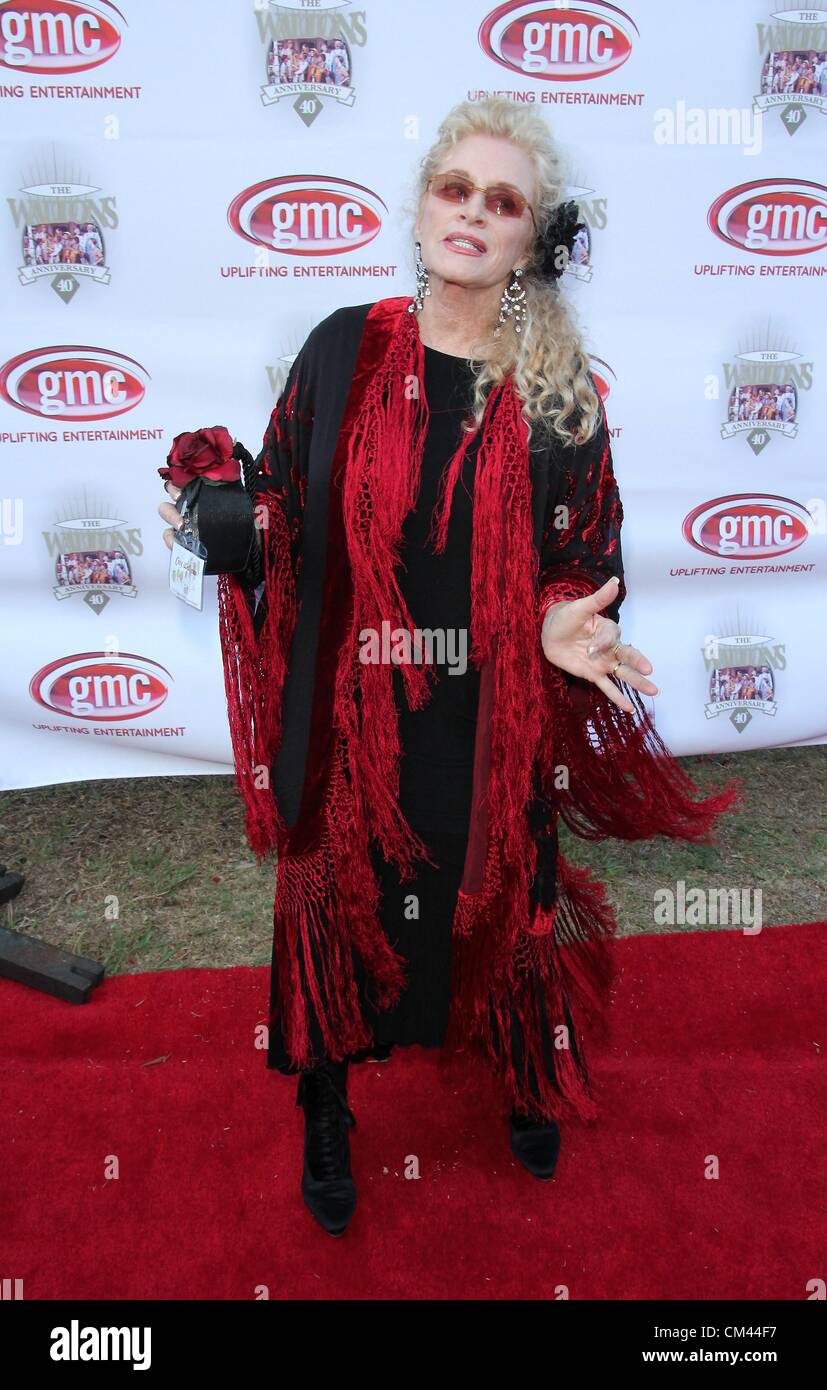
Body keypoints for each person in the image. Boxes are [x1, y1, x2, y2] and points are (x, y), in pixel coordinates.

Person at [160, 97, 739, 1238]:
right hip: (348, 702)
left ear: (531, 240)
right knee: (334, 891)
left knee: (504, 887)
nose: (471, 211)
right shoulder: (341, 345)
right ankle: (326, 1104)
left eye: (502, 199)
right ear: (420, 207)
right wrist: (218, 516)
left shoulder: (557, 397)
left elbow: (584, 555)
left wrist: (554, 624)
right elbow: (279, 499)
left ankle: (521, 1065)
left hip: (489, 714)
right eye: (453, 188)